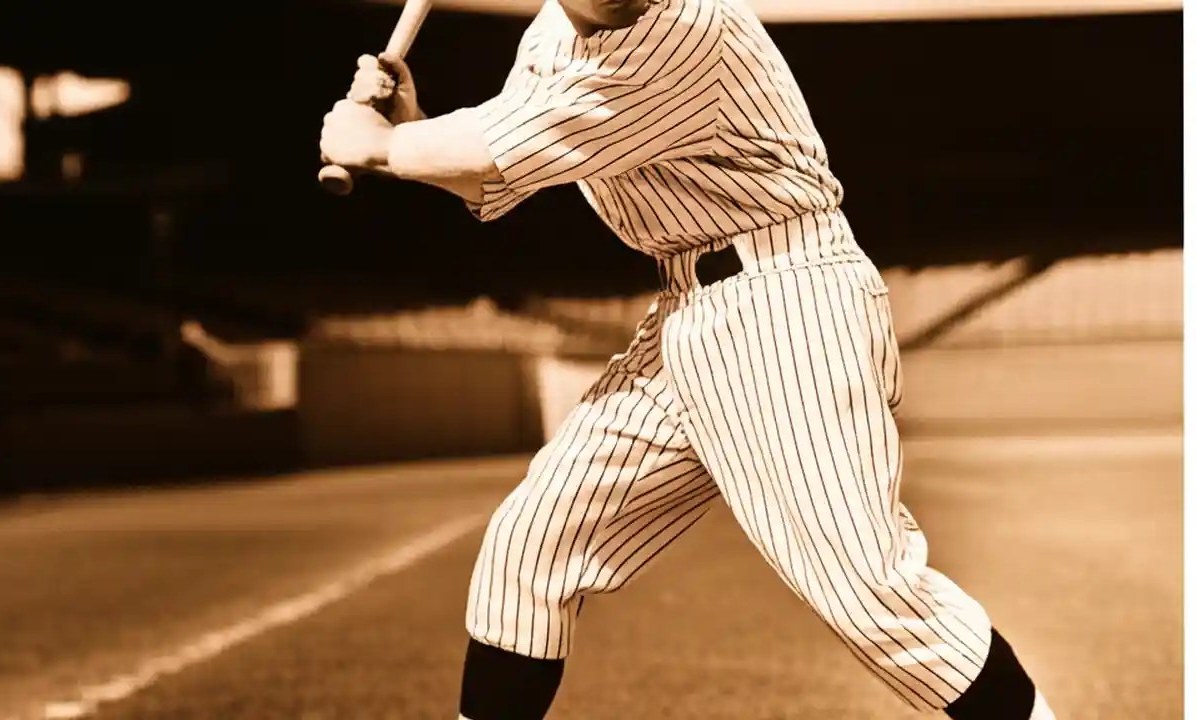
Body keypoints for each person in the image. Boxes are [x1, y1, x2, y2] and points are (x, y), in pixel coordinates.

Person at [319, 0, 1057, 718]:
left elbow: (488, 145)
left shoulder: (687, 26)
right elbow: (495, 179)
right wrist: (409, 134)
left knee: (870, 592)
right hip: (685, 312)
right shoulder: (549, 39)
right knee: (532, 546)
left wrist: (380, 144)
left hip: (787, 303)